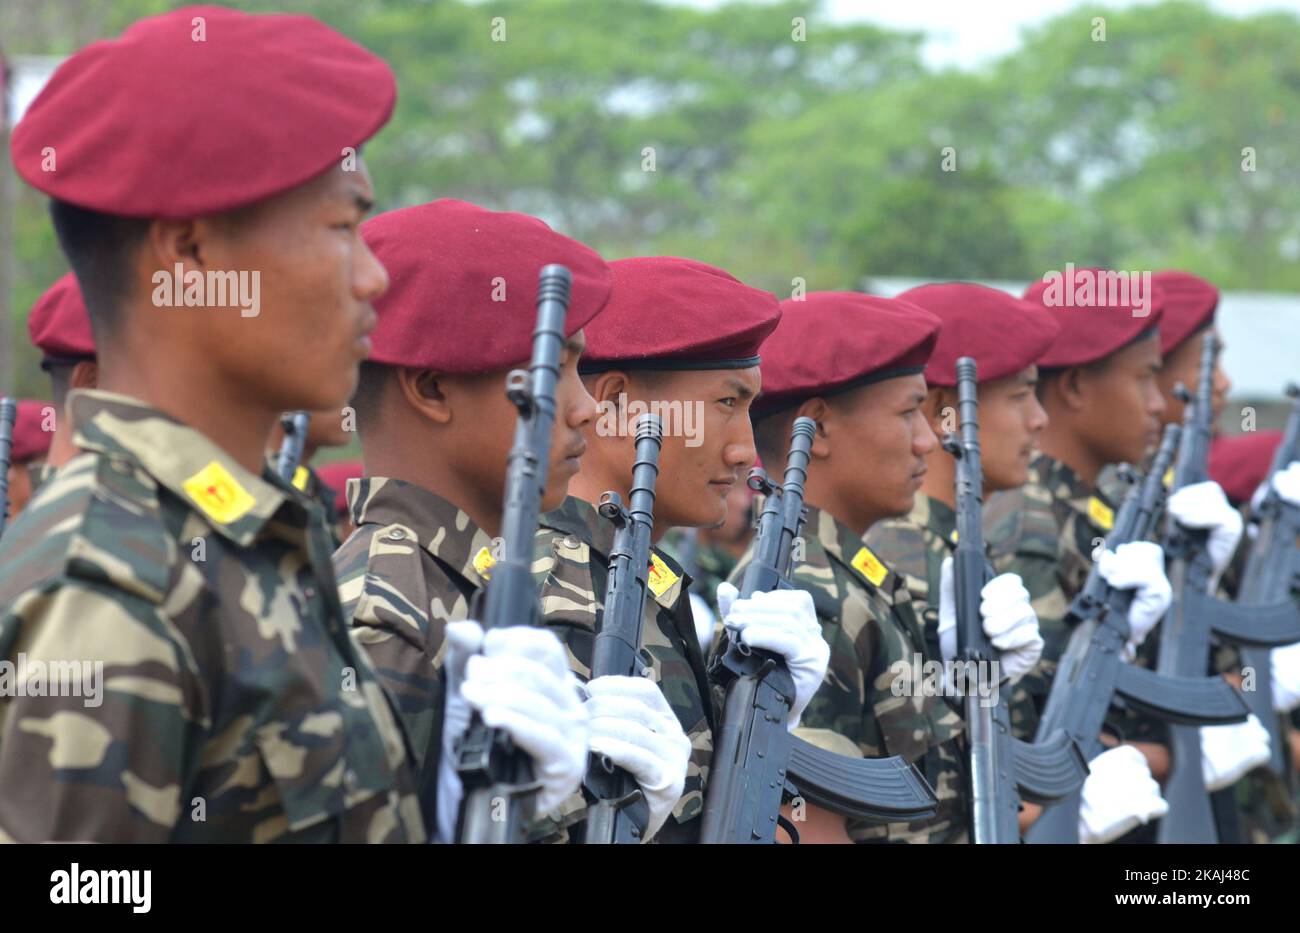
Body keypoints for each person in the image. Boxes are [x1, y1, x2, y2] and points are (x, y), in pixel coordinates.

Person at [0, 6, 585, 843]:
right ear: (192, 256)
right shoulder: (108, 582)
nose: (375, 277)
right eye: (343, 227)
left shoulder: (247, 539)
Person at [336, 199, 682, 842]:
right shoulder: (387, 616)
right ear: (433, 388)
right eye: (556, 370)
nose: (585, 410)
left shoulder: (470, 588)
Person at [536, 256, 829, 843]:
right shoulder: (553, 590)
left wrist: (765, 714)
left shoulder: (638, 578)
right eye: (726, 404)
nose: (745, 451)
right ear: (617, 403)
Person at [863, 282, 1167, 841]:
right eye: (1019, 396)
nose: (1038, 419)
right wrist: (1065, 801)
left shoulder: (954, 545)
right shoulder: (912, 555)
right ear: (945, 414)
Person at [740, 290, 1044, 842]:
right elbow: (805, 829)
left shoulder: (857, 575)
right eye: (909, 414)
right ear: (819, 429)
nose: (929, 441)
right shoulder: (807, 592)